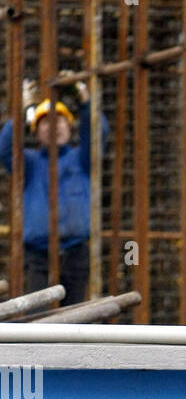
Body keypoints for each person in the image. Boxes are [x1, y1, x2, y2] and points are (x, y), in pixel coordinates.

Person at [0, 78, 109, 306]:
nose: (53, 126)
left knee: (76, 317)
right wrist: (22, 112)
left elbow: (98, 134)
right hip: (38, 255)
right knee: (35, 317)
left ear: (69, 128)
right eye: (45, 122)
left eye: (59, 121)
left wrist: (85, 103)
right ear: (36, 131)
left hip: (75, 252)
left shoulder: (82, 160)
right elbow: (5, 148)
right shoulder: (28, 164)